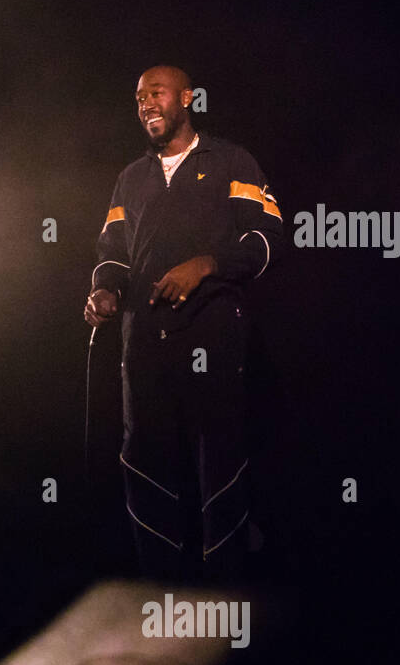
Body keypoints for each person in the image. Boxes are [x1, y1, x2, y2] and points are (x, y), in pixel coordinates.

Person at [83, 65, 283, 579]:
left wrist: (206, 265)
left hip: (213, 332)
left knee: (219, 454)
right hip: (144, 339)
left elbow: (268, 237)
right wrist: (104, 290)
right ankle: (158, 591)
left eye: (155, 93)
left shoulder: (231, 160)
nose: (145, 103)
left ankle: (225, 590)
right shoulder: (132, 177)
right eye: (138, 97)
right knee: (143, 457)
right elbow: (112, 253)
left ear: (188, 98)